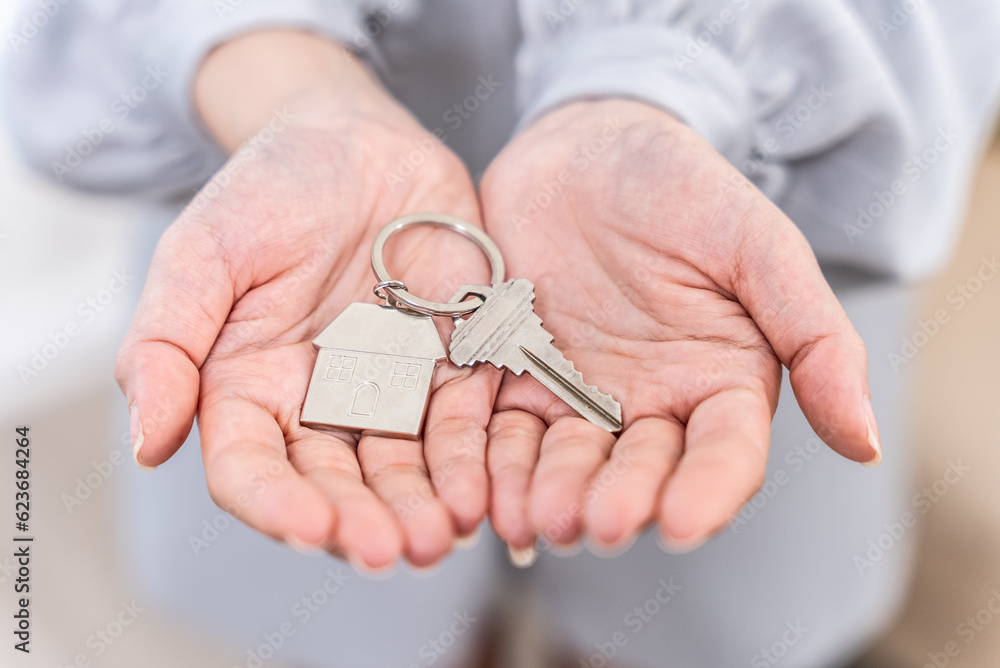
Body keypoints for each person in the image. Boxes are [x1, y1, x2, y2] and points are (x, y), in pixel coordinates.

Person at [4, 1, 1000, 665]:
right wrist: (281, 79)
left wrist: (668, 80)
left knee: (686, 615)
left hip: (704, 211)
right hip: (291, 242)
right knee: (358, 618)